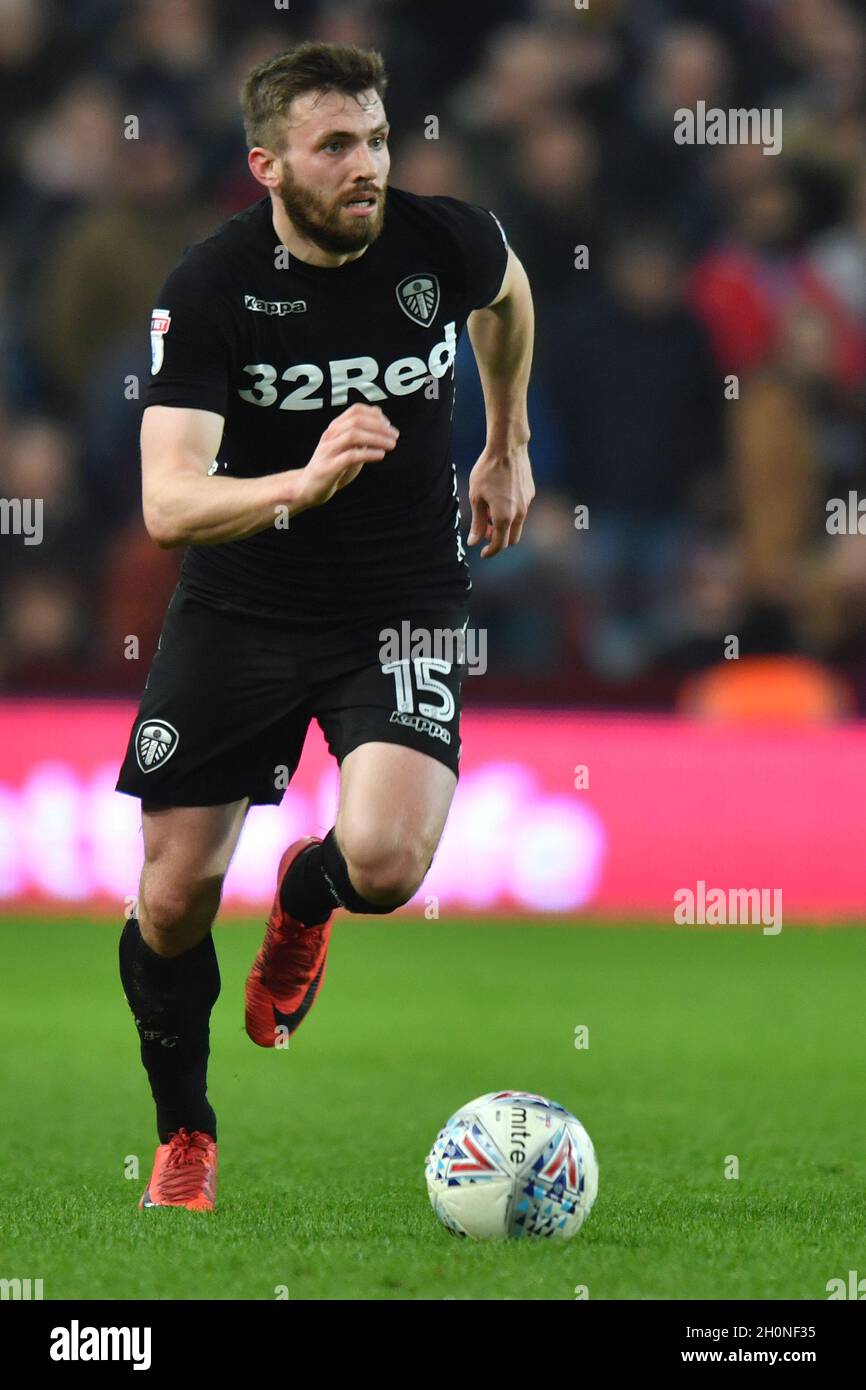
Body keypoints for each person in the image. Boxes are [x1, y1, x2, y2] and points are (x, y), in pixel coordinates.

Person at [114, 40, 535, 1210]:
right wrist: (297, 483)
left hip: (400, 600)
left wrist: (507, 440)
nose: (367, 166)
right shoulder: (206, 291)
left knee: (390, 864)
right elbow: (167, 501)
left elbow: (508, 290)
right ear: (267, 166)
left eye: (378, 139)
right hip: (241, 608)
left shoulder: (436, 240)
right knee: (170, 898)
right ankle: (186, 1131)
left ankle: (306, 900)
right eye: (336, 146)